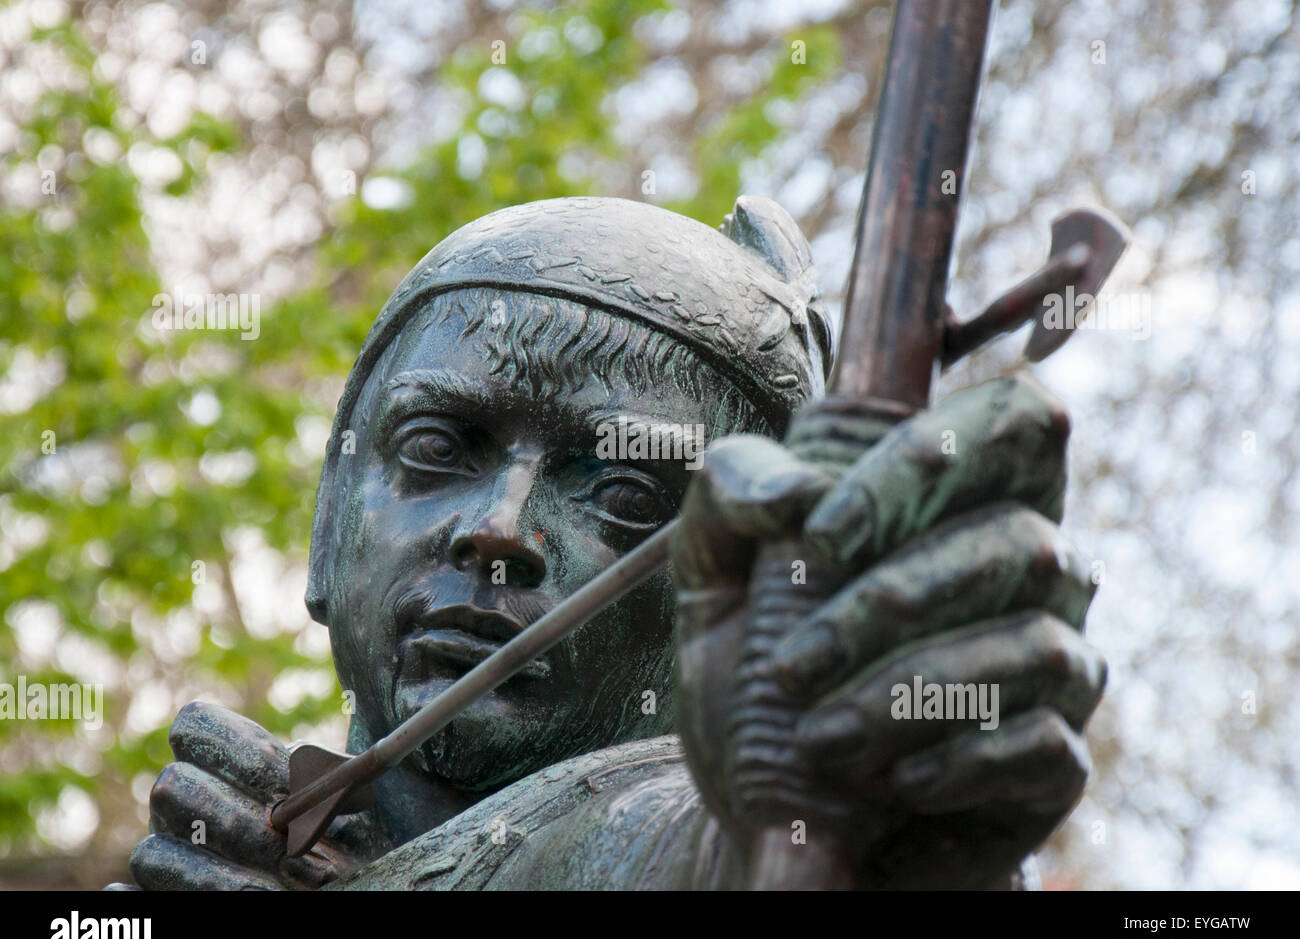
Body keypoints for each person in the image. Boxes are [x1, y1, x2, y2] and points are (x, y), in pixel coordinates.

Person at [127, 196, 1104, 890]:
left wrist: (857, 829)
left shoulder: (681, 836)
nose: (498, 530)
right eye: (437, 448)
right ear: (327, 523)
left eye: (628, 492)